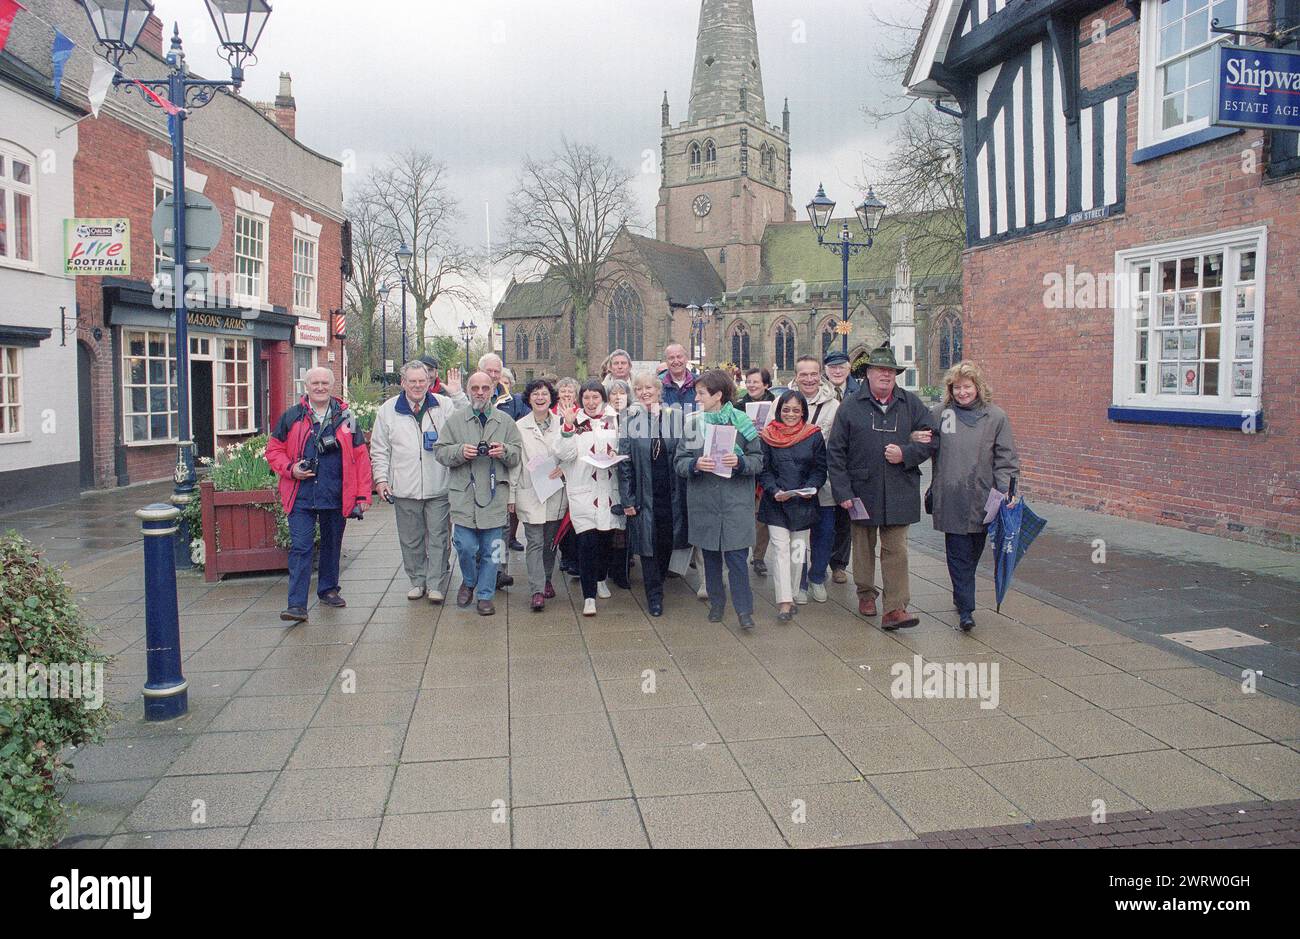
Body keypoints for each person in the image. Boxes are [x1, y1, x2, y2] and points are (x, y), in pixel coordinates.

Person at [827, 344, 938, 630]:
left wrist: (907, 453)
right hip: (862, 488)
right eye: (880, 370)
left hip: (901, 488)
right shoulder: (851, 406)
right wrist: (843, 491)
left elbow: (931, 439)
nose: (885, 375)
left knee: (896, 549)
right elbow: (836, 452)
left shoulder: (911, 404)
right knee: (863, 546)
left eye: (890, 370)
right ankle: (866, 593)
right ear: (868, 374)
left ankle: (895, 608)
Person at [915, 361, 1019, 632]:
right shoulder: (939, 414)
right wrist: (913, 442)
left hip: (984, 497)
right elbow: (921, 443)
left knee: (973, 550)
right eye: (957, 387)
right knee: (958, 552)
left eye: (967, 387)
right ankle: (966, 610)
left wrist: (1007, 490)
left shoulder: (996, 417)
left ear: (978, 387)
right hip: (950, 494)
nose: (962, 392)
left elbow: (1005, 458)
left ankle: (962, 592)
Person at [267, 367, 373, 623]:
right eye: (315, 382)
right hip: (301, 494)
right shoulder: (291, 416)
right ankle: (296, 606)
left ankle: (328, 589)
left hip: (336, 493)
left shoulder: (348, 418)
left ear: (332, 385)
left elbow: (361, 457)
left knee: (331, 545)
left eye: (325, 382)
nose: (320, 387)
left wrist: (362, 496)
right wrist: (291, 469)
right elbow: (273, 450)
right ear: (306, 386)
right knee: (301, 548)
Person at [370, 361, 466, 605]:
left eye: (422, 381)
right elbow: (380, 449)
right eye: (412, 381)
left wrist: (457, 394)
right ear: (403, 383)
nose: (417, 386)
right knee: (411, 539)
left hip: (439, 485)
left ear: (429, 381)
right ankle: (417, 580)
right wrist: (381, 479)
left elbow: (467, 422)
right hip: (404, 487)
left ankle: (435, 584)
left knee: (438, 538)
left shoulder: (443, 405)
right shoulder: (388, 410)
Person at [675, 370, 764, 630]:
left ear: (718, 395)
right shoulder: (693, 425)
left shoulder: (743, 423)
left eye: (701, 393)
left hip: (735, 503)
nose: (697, 397)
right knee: (711, 559)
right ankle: (716, 603)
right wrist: (695, 463)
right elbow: (679, 462)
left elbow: (758, 460)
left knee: (737, 560)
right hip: (705, 503)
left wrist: (740, 462)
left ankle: (744, 611)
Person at [434, 371, 523, 616]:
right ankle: (469, 581)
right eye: (475, 388)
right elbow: (440, 452)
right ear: (468, 389)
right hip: (464, 495)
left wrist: (503, 450)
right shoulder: (456, 420)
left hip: (495, 496)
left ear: (493, 389)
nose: (480, 392)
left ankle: (485, 595)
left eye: (485, 387)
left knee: (493, 550)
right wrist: (460, 452)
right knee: (464, 546)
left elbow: (517, 454)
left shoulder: (505, 421)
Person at [618, 372, 689, 617]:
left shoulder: (676, 417)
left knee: (666, 542)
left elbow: (685, 453)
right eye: (639, 389)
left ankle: (660, 580)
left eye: (649, 388)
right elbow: (624, 462)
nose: (645, 392)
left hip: (671, 495)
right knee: (648, 546)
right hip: (644, 495)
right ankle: (654, 595)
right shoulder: (629, 419)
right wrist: (627, 499)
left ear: (659, 391)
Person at [555, 380, 625, 616]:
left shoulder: (615, 420)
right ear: (580, 399)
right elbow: (564, 454)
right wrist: (567, 427)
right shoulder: (573, 422)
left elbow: (623, 447)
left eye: (596, 397)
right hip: (583, 491)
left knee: (606, 540)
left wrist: (617, 454)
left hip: (608, 490)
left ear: (603, 399)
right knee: (586, 543)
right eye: (586, 398)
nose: (591, 402)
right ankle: (588, 597)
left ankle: (601, 578)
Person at [757, 389, 826, 622]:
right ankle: (784, 601)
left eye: (796, 410)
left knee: (798, 552)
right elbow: (763, 470)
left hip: (803, 503)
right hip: (776, 502)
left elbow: (820, 468)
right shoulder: (767, 435)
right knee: (780, 550)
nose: (791, 414)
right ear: (779, 411)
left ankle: (794, 593)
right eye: (786, 409)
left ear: (803, 412)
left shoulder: (813, 435)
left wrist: (812, 487)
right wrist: (774, 490)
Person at [511, 379, 568, 612]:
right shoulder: (519, 426)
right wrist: (511, 497)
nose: (540, 397)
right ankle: (536, 589)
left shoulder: (563, 423)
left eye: (544, 393)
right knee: (534, 541)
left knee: (550, 543)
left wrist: (564, 467)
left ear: (550, 397)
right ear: (529, 398)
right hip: (531, 492)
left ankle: (546, 579)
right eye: (535, 393)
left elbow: (573, 451)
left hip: (555, 490)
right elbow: (514, 464)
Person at [790, 355, 839, 604]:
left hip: (825, 481)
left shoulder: (834, 406)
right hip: (794, 482)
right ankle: (798, 581)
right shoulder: (783, 402)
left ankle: (817, 577)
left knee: (824, 532)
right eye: (803, 374)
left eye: (813, 374)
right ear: (796, 376)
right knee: (798, 535)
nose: (808, 379)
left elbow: (840, 445)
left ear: (820, 376)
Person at [823, 350, 859, 585]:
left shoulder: (858, 392)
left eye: (841, 366)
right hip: (824, 461)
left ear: (849, 368)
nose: (837, 371)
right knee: (824, 517)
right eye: (832, 367)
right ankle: (820, 561)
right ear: (826, 370)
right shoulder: (819, 392)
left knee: (845, 517)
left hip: (850, 462)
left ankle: (839, 564)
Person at [736, 367, 776, 576]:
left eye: (755, 382)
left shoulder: (777, 405)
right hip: (744, 462)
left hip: (768, 463)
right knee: (744, 511)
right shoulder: (738, 406)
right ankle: (741, 553)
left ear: (766, 385)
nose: (751, 385)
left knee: (762, 514)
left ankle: (758, 556)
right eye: (748, 381)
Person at [554, 377, 582, 576]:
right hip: (555, 472)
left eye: (570, 391)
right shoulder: (550, 412)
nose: (566, 395)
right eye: (563, 391)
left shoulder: (582, 413)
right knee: (559, 516)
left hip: (576, 471)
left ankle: (576, 557)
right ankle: (565, 555)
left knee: (574, 518)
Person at [660, 343, 698, 410]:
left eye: (679, 357)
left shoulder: (699, 382)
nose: (676, 361)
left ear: (686, 359)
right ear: (666, 361)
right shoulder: (658, 384)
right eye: (671, 358)